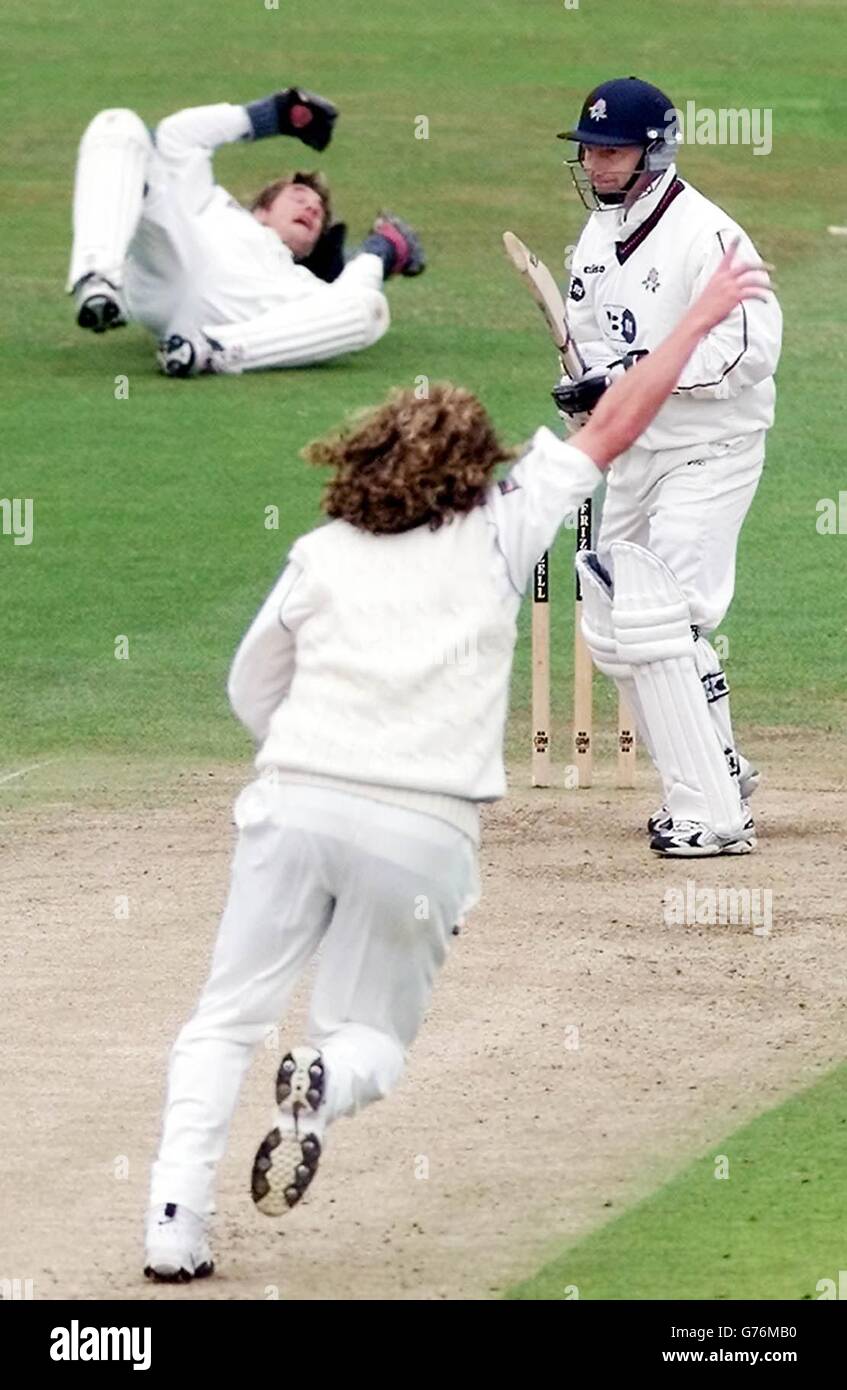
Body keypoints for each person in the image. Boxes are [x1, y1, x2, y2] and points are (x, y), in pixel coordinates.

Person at [143, 245, 770, 1281]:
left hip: (294, 798)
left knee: (222, 1018)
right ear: (473, 468)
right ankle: (324, 1075)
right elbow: (614, 425)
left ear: (360, 460)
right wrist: (696, 319)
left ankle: (173, 1224)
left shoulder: (322, 552)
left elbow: (250, 690)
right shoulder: (500, 527)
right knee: (371, 1041)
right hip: (424, 829)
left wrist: (301, 763)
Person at [554, 76, 783, 856]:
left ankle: (711, 813)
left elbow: (745, 352)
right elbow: (591, 345)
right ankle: (719, 764)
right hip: (636, 452)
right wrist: (586, 396)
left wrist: (628, 380)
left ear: (655, 149)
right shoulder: (595, 237)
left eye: (610, 151)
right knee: (609, 628)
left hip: (708, 448)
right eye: (589, 151)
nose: (596, 165)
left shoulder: (708, 238)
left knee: (661, 615)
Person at [66, 88, 424, 377]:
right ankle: (97, 278)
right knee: (118, 125)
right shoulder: (211, 207)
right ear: (262, 209)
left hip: (232, 327)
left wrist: (382, 249)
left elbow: (355, 291)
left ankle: (212, 353)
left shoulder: (301, 284)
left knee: (370, 308)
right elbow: (177, 136)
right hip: (174, 260)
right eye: (298, 197)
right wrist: (273, 116)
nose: (311, 208)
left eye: (319, 213)